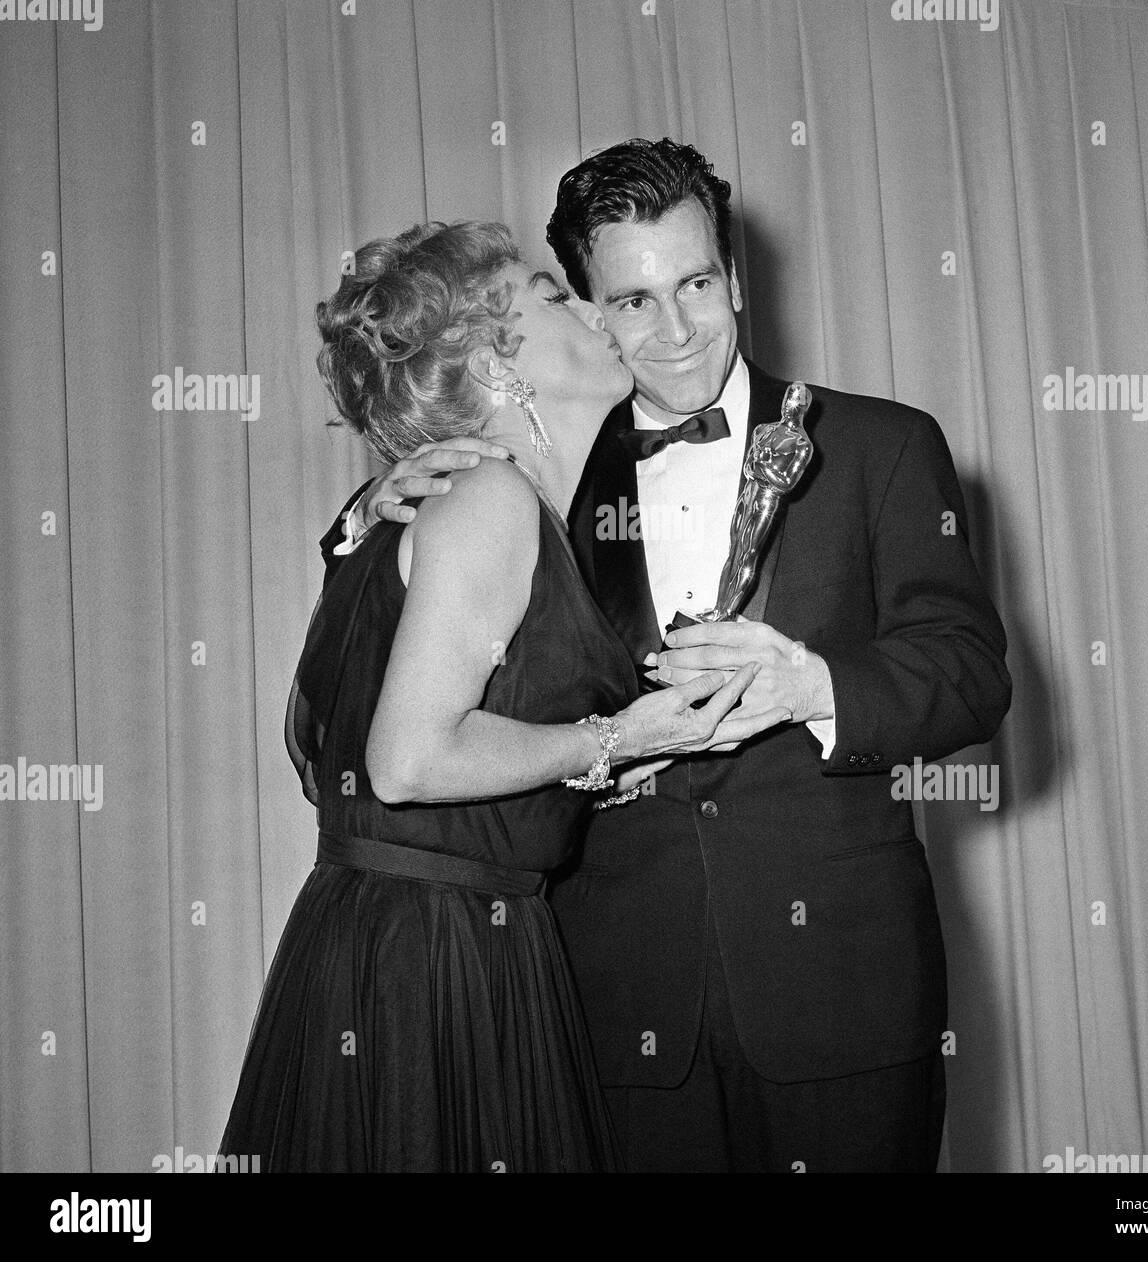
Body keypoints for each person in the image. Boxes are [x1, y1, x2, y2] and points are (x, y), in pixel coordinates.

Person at [336, 140, 1013, 1171]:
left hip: (843, 991)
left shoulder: (884, 444)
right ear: (593, 310)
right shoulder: (529, 474)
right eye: (632, 300)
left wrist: (812, 684)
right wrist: (364, 511)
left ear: (734, 274)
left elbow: (970, 671)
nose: (678, 326)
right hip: (611, 1000)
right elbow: (411, 640)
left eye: (695, 282)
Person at [221, 220, 787, 1172]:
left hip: (417, 944)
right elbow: (405, 764)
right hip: (437, 965)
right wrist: (622, 736)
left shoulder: (449, 499)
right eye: (552, 294)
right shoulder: (486, 495)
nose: (591, 309)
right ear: (496, 361)